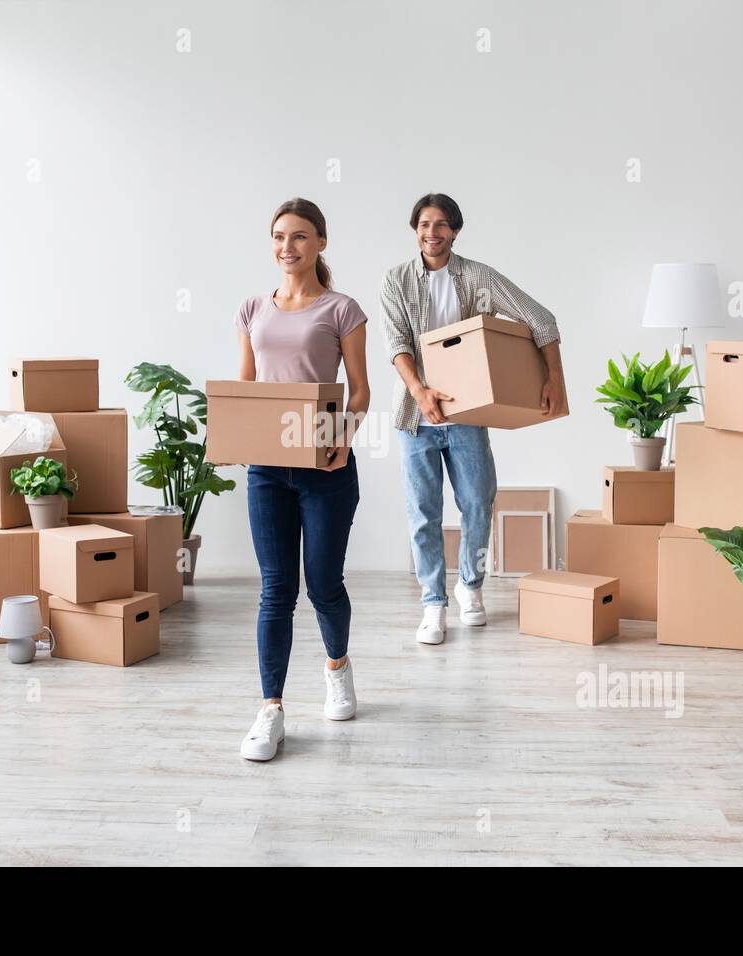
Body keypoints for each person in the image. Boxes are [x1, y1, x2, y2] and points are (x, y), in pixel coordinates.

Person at [380, 192, 565, 645]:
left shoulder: (477, 277)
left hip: (468, 414)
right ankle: (432, 604)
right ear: (415, 230)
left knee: (478, 505)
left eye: (441, 225)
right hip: (416, 417)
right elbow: (397, 343)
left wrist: (552, 379)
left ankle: (470, 586)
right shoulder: (396, 280)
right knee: (423, 513)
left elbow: (541, 319)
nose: (432, 233)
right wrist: (420, 392)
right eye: (424, 224)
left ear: (455, 231)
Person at [235, 198, 371, 761]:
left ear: (320, 243)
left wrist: (344, 439)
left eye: (298, 236)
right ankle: (271, 711)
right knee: (275, 591)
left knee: (323, 584)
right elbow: (244, 390)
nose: (286, 246)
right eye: (278, 236)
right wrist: (236, 439)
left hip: (325, 469)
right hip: (267, 471)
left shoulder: (342, 309)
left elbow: (360, 390)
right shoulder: (251, 309)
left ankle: (337, 666)